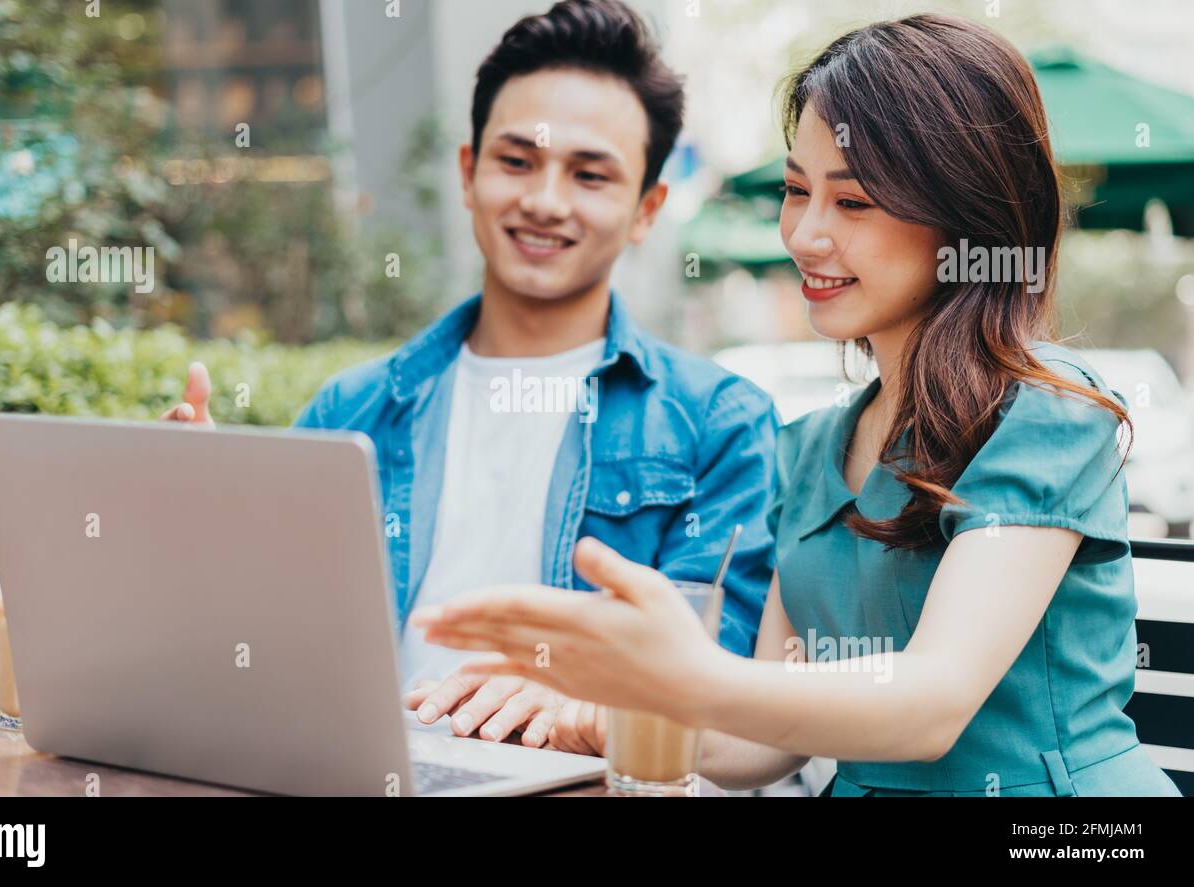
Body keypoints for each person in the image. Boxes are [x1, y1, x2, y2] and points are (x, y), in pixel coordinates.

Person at [413, 13, 1181, 796]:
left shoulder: (1048, 412)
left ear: (965, 215)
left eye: (852, 204)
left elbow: (931, 703)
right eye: (794, 191)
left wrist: (684, 676)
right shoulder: (813, 445)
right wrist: (600, 710)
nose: (805, 235)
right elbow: (761, 741)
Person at [158, 0, 780, 755]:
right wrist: (203, 526)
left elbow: (723, 682)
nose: (543, 201)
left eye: (590, 174)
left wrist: (579, 697)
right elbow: (264, 647)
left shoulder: (720, 424)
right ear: (468, 171)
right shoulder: (353, 407)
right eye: (516, 162)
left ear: (647, 209)